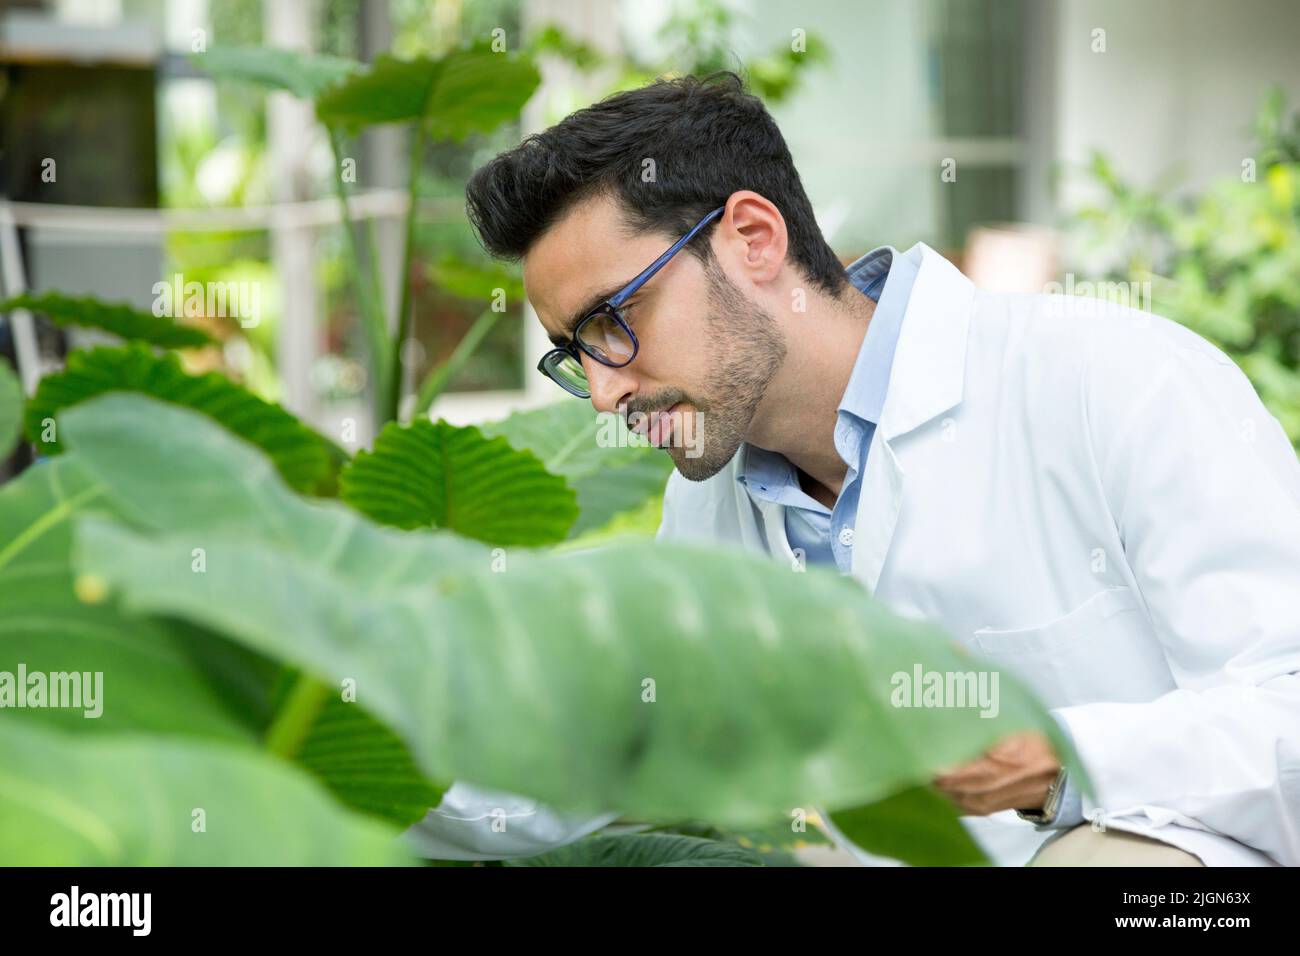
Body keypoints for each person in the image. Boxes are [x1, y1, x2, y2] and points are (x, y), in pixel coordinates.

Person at [408, 71, 1300, 867]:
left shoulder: (1114, 378)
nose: (604, 395)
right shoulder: (718, 510)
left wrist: (1060, 756)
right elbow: (585, 751)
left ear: (753, 238)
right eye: (576, 352)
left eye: (613, 321)